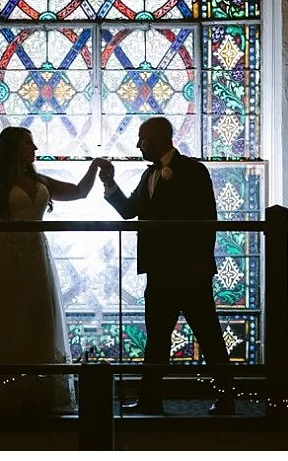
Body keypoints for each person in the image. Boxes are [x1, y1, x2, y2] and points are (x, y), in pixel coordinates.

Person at [94, 116, 235, 415]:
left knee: (208, 334)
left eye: (142, 138)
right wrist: (109, 182)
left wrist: (201, 261)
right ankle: (150, 399)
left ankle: (226, 398)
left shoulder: (194, 171)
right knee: (156, 337)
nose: (137, 144)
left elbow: (207, 218)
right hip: (158, 270)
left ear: (159, 138)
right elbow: (129, 211)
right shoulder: (149, 175)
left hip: (190, 270)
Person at [0, 126, 101, 413]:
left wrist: (95, 167)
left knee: (37, 316)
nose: (35, 148)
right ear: (14, 148)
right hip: (5, 253)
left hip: (37, 255)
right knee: (7, 318)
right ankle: (4, 392)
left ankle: (36, 392)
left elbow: (79, 192)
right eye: (29, 143)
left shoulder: (40, 180)